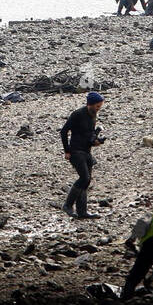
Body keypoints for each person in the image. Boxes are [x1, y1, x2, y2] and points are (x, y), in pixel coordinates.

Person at [60, 91, 105, 219]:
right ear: (90, 104)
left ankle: (82, 212)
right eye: (97, 106)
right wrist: (67, 150)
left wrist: (96, 141)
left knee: (87, 180)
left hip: (86, 151)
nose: (98, 109)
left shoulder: (93, 115)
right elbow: (63, 132)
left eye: (100, 106)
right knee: (84, 178)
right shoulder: (77, 114)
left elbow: (89, 135)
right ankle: (67, 205)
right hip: (75, 151)